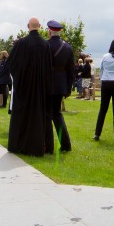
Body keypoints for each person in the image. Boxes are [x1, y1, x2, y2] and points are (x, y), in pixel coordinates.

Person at [5, 19, 52, 156]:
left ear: (28, 27)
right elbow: (48, 69)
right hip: (39, 88)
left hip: (24, 88)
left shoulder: (21, 44)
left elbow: (11, 64)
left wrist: (20, 78)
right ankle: (37, 146)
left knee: (22, 116)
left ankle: (19, 144)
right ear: (40, 27)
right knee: (38, 117)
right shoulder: (45, 45)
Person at [45, 20, 75, 153]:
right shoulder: (67, 47)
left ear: (49, 31)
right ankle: (65, 144)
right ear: (60, 31)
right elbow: (71, 70)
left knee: (46, 115)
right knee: (57, 114)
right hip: (61, 84)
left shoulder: (45, 46)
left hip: (47, 83)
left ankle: (47, 145)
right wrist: (68, 88)